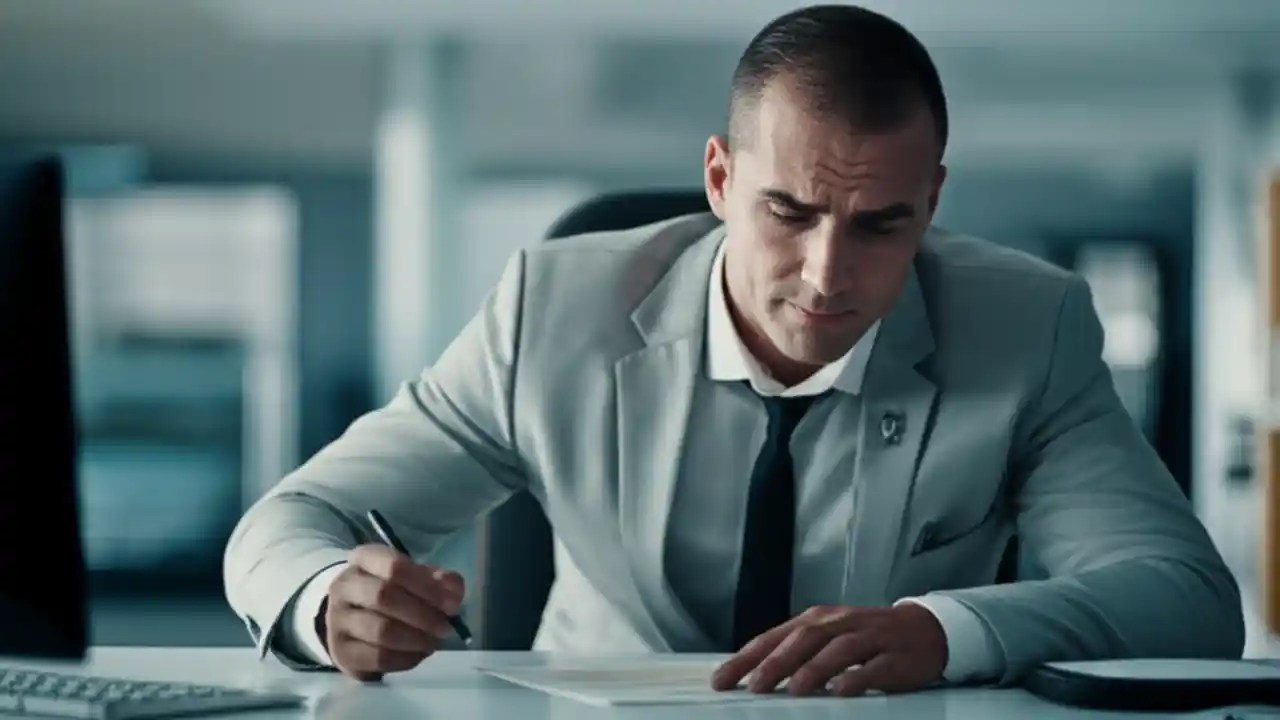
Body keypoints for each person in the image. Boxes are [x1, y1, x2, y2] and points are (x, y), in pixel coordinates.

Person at [223, 4, 1244, 696]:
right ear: (717, 180)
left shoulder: (1027, 328)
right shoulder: (552, 309)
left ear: (931, 200)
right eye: (786, 212)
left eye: (880, 223)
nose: (825, 272)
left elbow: (1183, 599)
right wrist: (324, 603)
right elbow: (286, 523)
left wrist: (945, 632)